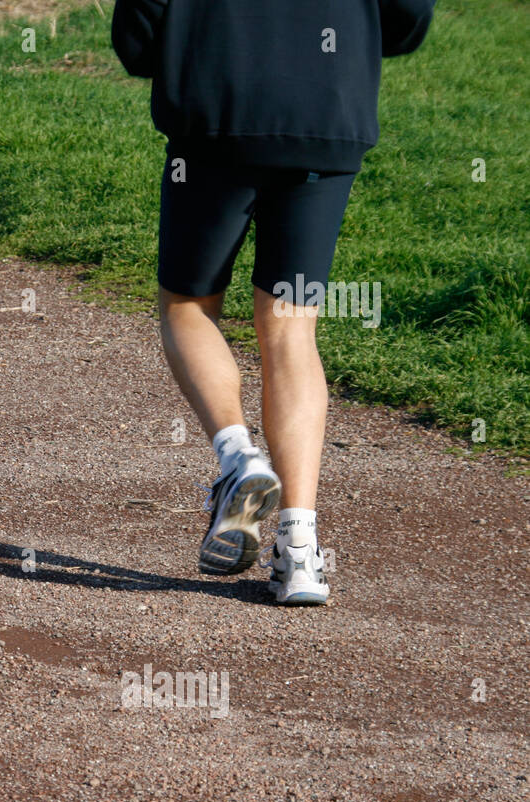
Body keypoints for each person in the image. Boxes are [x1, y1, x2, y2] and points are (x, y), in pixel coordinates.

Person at [111, 0, 434, 605]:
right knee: (291, 328)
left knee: (187, 304)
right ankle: (299, 552)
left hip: (216, 114)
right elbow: (408, 17)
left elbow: (137, 35)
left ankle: (237, 457)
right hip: (326, 120)